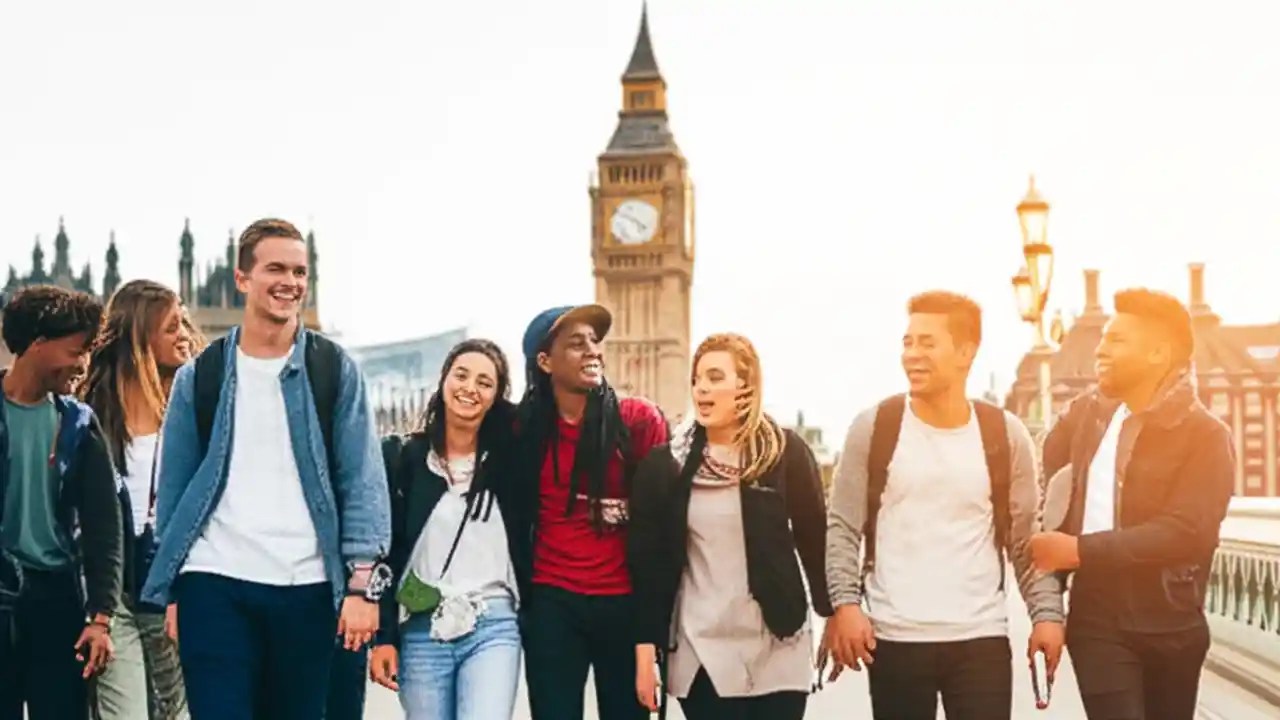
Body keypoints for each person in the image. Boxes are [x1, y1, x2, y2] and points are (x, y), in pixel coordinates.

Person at [139, 218, 392, 720]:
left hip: (309, 589)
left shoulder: (334, 371)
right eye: (275, 268)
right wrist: (175, 589)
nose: (291, 282)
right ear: (242, 278)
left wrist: (363, 585)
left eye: (300, 271)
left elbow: (362, 482)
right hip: (215, 585)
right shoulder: (201, 376)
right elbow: (174, 491)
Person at [825, 290, 1065, 720]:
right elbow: (843, 526)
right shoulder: (874, 428)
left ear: (965, 351)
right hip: (894, 638)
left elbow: (1026, 541)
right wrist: (846, 605)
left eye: (926, 343)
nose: (912, 354)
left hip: (981, 639)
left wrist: (1047, 616)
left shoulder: (1005, 435)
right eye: (907, 342)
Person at [1031, 288, 1234, 720]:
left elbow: (1188, 532)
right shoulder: (1084, 418)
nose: (1100, 349)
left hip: (1174, 625)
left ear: (1159, 353)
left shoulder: (1207, 436)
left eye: (1117, 340)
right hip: (1098, 622)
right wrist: (1048, 608)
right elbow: (1046, 498)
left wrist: (1080, 551)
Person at [629, 333, 834, 720]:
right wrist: (645, 652)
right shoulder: (665, 467)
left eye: (714, 377)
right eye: (696, 379)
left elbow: (814, 540)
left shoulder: (784, 453)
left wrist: (835, 614)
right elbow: (648, 567)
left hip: (778, 644)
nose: (701, 388)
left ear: (747, 386)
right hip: (702, 648)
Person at [515, 304, 670, 720]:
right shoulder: (523, 429)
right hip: (552, 602)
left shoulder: (638, 422)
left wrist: (650, 636)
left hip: (623, 603)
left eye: (595, 341)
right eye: (576, 343)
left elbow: (661, 532)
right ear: (544, 362)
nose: (592, 351)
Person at [368, 339, 525, 720]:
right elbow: (385, 553)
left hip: (494, 624)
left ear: (497, 398)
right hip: (423, 626)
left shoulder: (510, 462)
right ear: (443, 381)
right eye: (462, 375)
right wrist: (384, 638)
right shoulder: (404, 459)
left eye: (485, 383)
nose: (470, 388)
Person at [80, 279, 201, 720]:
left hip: (174, 592)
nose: (185, 334)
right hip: (113, 598)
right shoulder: (88, 415)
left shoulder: (197, 413)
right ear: (138, 335)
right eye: (172, 326)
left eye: (184, 322)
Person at [0, 285, 119, 720]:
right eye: (77, 350)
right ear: (37, 344)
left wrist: (100, 618)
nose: (84, 364)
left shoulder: (79, 424)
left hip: (56, 602)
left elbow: (105, 529)